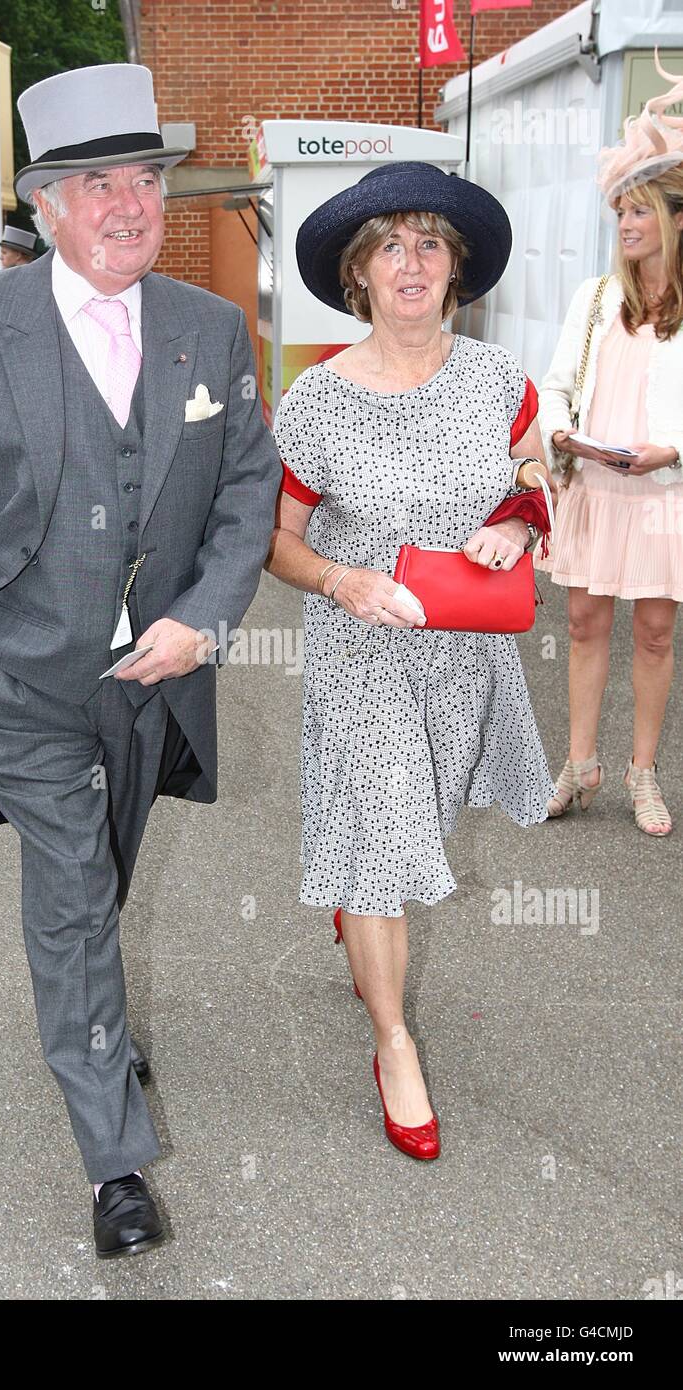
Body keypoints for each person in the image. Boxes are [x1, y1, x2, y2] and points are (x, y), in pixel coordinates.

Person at [0, 63, 280, 1259]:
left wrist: (205, 615)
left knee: (100, 879)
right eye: (92, 182)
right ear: (43, 207)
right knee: (69, 900)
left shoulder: (210, 330)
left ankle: (92, 1010)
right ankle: (114, 1162)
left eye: (141, 178)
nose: (126, 202)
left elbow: (246, 489)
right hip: (13, 678)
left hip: (152, 679)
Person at [266, 162, 555, 1161]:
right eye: (388, 244)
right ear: (356, 275)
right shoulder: (315, 400)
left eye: (429, 242)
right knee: (386, 844)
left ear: (455, 271)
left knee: (414, 827)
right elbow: (277, 540)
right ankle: (392, 1042)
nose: (411, 261)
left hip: (463, 661)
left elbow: (531, 469)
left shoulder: (499, 380)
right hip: (364, 658)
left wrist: (519, 518)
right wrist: (341, 580)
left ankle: (359, 912)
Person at [537, 50, 683, 838]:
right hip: (595, 486)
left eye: (640, 211)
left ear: (675, 218)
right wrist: (561, 431)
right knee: (585, 625)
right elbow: (557, 383)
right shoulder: (595, 299)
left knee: (656, 633)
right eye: (619, 212)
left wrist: (673, 449)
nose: (626, 225)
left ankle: (642, 773)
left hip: (663, 495)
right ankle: (581, 764)